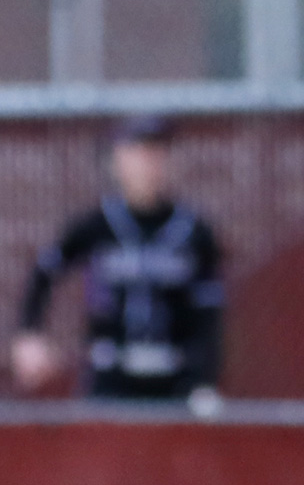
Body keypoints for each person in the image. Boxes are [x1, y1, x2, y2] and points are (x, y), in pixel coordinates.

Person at [11, 115, 223, 405]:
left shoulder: (193, 231)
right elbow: (43, 273)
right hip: (111, 373)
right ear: (116, 161)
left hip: (174, 375)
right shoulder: (96, 225)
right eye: (136, 153)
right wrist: (29, 334)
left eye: (155, 153)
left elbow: (209, 313)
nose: (146, 163)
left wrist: (204, 380)